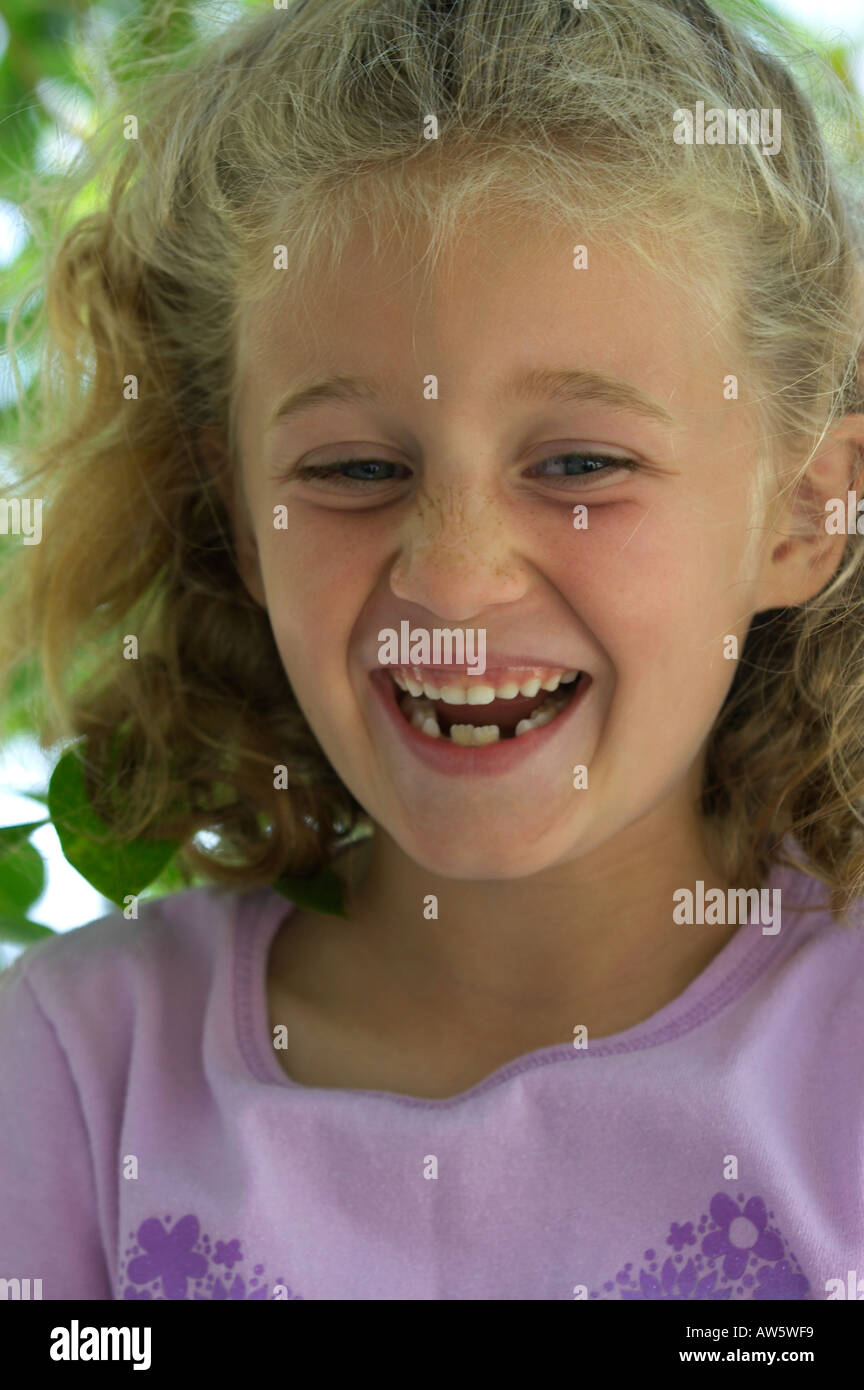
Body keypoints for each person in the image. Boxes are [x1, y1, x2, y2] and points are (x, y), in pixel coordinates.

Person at [1, 0, 863, 1301]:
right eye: (353, 467)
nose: (452, 574)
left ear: (807, 509)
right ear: (239, 517)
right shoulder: (74, 1071)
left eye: (580, 463)